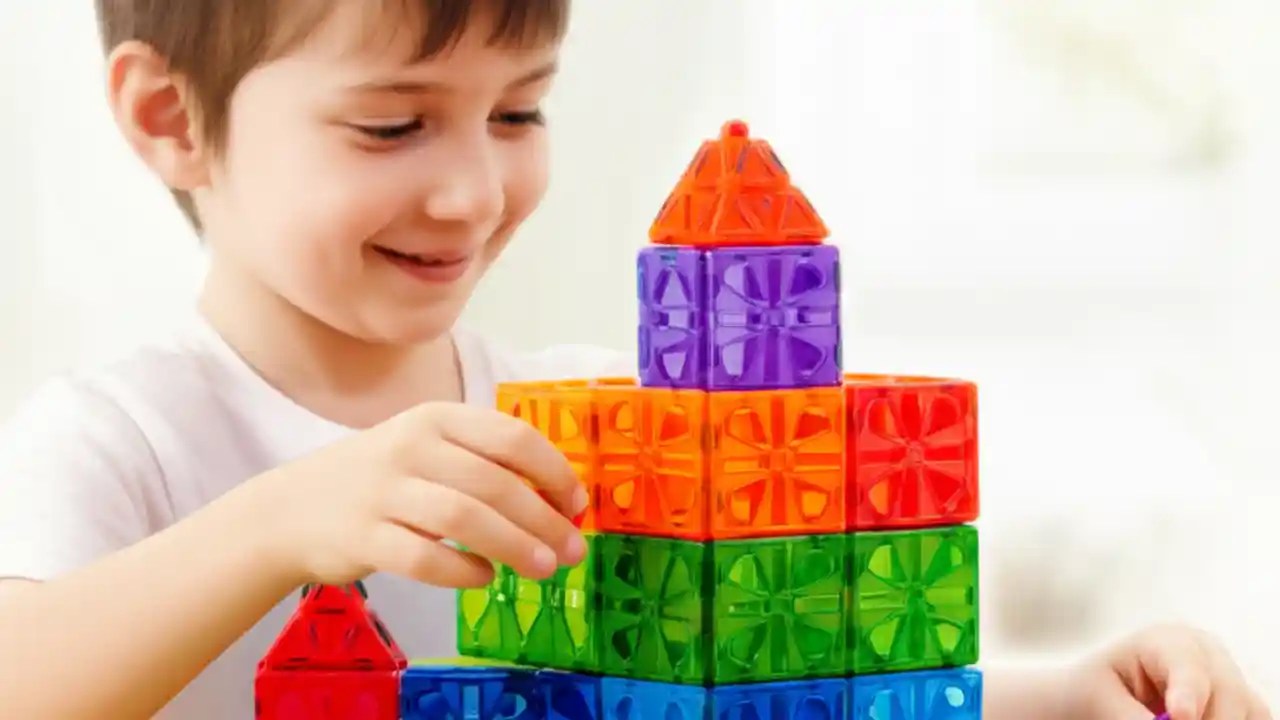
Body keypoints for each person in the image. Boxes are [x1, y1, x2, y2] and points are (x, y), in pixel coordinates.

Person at [0, 1, 1268, 718]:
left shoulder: (595, 414)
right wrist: (282, 520)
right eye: (391, 124)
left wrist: (1066, 698)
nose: (472, 190)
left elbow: (776, 685)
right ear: (171, 120)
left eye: (518, 110)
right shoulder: (121, 436)